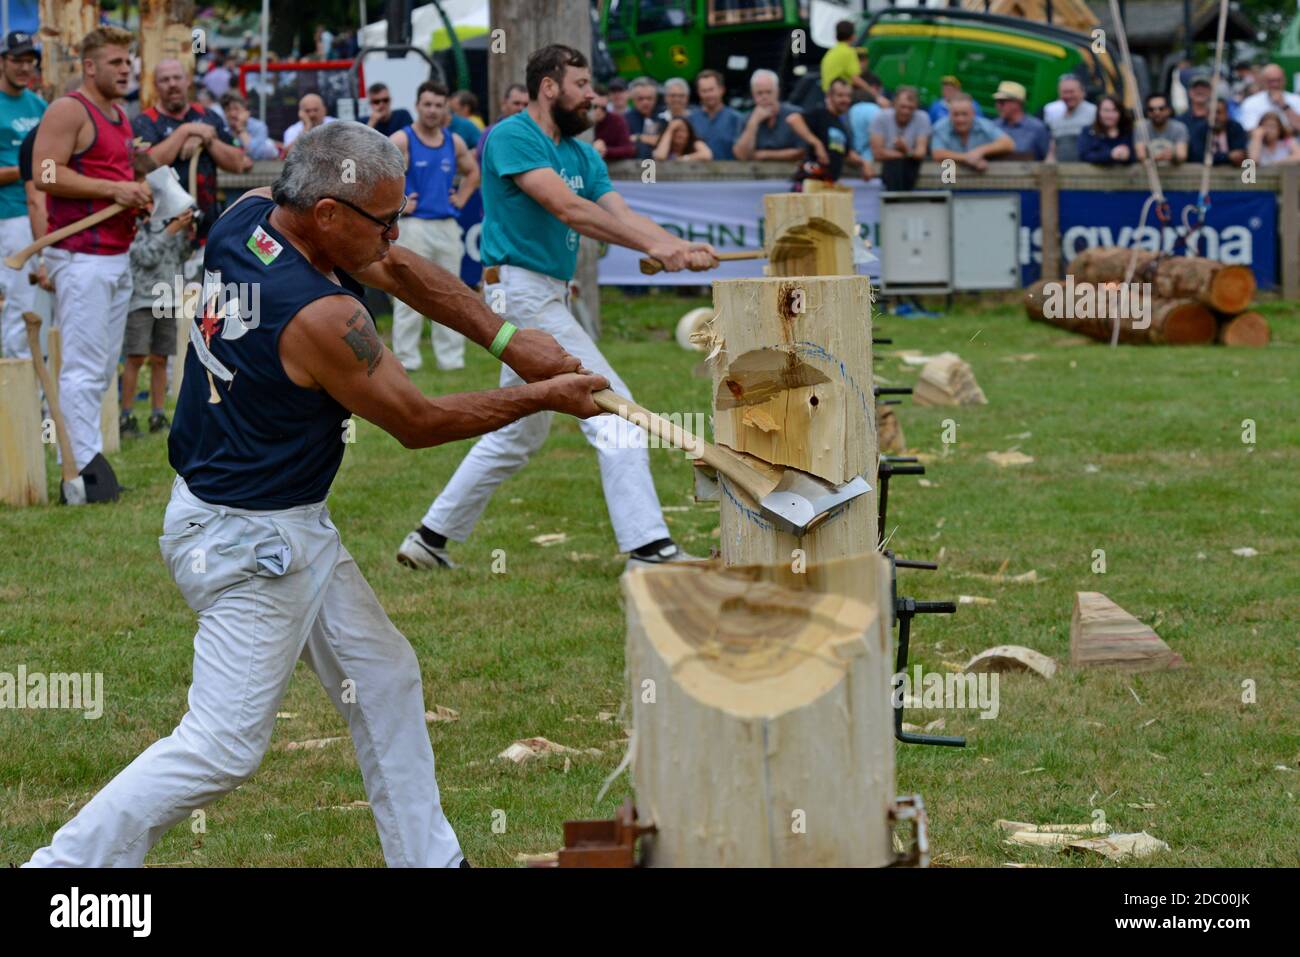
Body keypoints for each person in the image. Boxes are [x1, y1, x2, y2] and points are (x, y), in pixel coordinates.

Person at [23, 119, 610, 869]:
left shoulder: (250, 214)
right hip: (252, 545)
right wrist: (543, 396)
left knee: (386, 677)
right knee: (222, 745)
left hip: (262, 520)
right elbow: (417, 420)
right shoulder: (324, 316)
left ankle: (430, 860)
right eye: (385, 220)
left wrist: (507, 342)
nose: (395, 234)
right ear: (329, 214)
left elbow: (395, 270)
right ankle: (58, 873)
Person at [397, 44, 717, 573]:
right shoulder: (510, 136)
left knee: (517, 433)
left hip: (544, 291)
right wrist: (655, 247)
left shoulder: (582, 154)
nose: (592, 95)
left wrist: (675, 246)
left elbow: (618, 211)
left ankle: (430, 538)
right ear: (550, 86)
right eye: (582, 84)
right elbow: (568, 209)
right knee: (615, 410)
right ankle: (647, 549)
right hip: (518, 292)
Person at [33, 26, 150, 482]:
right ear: (89, 66)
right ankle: (81, 472)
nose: (125, 70)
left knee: (101, 367)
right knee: (83, 368)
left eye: (128, 62)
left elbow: (115, 176)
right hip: (81, 257)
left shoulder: (120, 115)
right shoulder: (68, 109)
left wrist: (137, 193)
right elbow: (44, 172)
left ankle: (84, 458)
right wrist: (114, 189)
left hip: (116, 255)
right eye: (116, 62)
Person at [389, 81, 480, 372]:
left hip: (446, 225)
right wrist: (399, 202)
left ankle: (451, 361)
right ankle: (407, 359)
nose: (432, 110)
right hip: (413, 227)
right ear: (417, 106)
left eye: (438, 105)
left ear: (445, 110)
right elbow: (375, 171)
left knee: (452, 295)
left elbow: (473, 172)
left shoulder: (453, 141)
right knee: (409, 293)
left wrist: (462, 197)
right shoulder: (402, 139)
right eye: (427, 104)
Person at [133, 58, 252, 240]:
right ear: (155, 85)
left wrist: (207, 140)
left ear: (187, 80)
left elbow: (238, 163)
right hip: (164, 230)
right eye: (165, 80)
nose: (172, 84)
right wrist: (186, 131)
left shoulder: (207, 116)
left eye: (177, 78)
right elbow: (147, 167)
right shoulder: (145, 121)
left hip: (207, 229)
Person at [120, 152, 193, 437]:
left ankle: (158, 413)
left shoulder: (168, 219)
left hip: (168, 297)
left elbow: (181, 257)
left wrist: (184, 234)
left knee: (161, 357)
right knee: (136, 357)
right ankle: (126, 415)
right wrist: (169, 232)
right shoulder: (134, 224)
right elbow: (144, 257)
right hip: (141, 298)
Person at [0, 31, 46, 359]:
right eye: (17, 60)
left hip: (39, 210)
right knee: (17, 299)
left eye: (30, 61)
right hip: (9, 214)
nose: (24, 67)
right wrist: (28, 168)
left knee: (32, 299)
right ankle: (16, 376)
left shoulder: (41, 106)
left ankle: (27, 375)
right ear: (2, 61)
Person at [787, 78, 870, 182]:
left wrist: (864, 163)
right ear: (829, 96)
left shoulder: (842, 126)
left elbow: (847, 153)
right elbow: (793, 119)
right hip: (809, 181)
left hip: (827, 184)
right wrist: (817, 143)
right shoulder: (820, 114)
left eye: (848, 96)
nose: (845, 100)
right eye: (840, 95)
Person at [732, 68, 804, 162]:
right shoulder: (747, 118)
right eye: (759, 93)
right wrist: (753, 123)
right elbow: (741, 156)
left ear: (777, 92)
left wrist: (764, 155)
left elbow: (802, 151)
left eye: (769, 92)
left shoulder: (795, 114)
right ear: (753, 95)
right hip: (755, 174)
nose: (764, 97)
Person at [930, 93, 1014, 169]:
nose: (960, 119)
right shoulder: (940, 126)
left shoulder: (984, 124)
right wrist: (966, 158)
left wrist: (980, 151)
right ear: (949, 114)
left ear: (973, 113)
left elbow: (1008, 143)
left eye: (964, 114)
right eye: (956, 114)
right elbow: (938, 153)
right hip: (948, 178)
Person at [869, 86, 930, 190]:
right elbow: (877, 153)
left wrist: (907, 151)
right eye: (903, 107)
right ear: (894, 104)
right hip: (888, 164)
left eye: (910, 108)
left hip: (911, 164)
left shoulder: (922, 117)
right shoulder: (881, 117)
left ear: (916, 107)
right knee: (895, 164)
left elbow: (921, 152)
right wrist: (906, 153)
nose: (906, 111)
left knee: (906, 164)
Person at [689, 69, 743, 160]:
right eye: (704, 91)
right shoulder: (690, 120)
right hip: (696, 172)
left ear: (722, 90)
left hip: (730, 172)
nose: (708, 95)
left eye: (711, 90)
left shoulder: (736, 119)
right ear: (698, 93)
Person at [1043, 75, 1096, 162]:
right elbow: (1052, 140)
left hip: (1087, 169)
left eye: (1071, 92)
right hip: (1061, 169)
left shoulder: (1094, 112)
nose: (1068, 96)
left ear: (1082, 92)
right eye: (1064, 92)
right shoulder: (1051, 111)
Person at [992, 80, 1049, 160]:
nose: (998, 106)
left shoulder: (1037, 128)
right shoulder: (993, 126)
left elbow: (1046, 158)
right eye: (997, 102)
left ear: (1017, 103)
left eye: (1002, 102)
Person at [1238, 63, 1300, 132]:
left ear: (1284, 80)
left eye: (1278, 80)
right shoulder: (1250, 102)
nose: (1275, 84)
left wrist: (1284, 105)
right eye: (1271, 81)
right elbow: (1249, 130)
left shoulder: (1296, 100)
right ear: (1263, 81)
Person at [1186, 98, 1247, 166]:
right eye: (1211, 113)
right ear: (1206, 115)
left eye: (1218, 112)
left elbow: (1239, 155)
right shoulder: (1199, 129)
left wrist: (1215, 158)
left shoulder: (1235, 128)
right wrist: (1228, 157)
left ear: (1227, 113)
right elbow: (1198, 156)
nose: (1215, 117)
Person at [477, 82, 529, 162]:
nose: (521, 108)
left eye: (525, 105)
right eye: (516, 103)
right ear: (504, 104)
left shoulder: (532, 132)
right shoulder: (491, 133)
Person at [1077, 95, 1134, 166]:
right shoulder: (1089, 131)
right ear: (1098, 112)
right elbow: (1084, 155)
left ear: (1121, 113)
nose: (1110, 115)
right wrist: (1110, 154)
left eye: (1115, 110)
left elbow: (1136, 155)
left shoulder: (1129, 131)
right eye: (1106, 110)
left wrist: (1127, 156)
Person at [221, 91, 279, 160]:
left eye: (236, 109)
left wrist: (241, 128)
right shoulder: (222, 128)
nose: (232, 114)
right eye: (228, 110)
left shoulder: (259, 127)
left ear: (245, 110)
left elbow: (255, 154)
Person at [1134, 93, 1188, 165]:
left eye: (1161, 108)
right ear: (1147, 112)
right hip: (1149, 174)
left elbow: (1182, 155)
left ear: (1169, 110)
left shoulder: (1179, 127)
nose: (1156, 112)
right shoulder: (1141, 128)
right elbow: (1141, 156)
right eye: (1151, 109)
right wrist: (1157, 157)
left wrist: (1172, 155)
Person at [820, 19, 867, 94]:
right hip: (840, 94)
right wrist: (876, 96)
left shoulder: (831, 52)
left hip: (828, 94)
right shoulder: (848, 52)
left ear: (836, 36)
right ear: (853, 36)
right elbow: (856, 79)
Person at [592, 86, 635, 160]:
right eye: (595, 107)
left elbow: (628, 149)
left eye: (603, 108)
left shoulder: (616, 121)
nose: (598, 111)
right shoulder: (579, 120)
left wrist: (606, 150)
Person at [626, 77, 663, 160]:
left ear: (655, 99)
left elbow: (664, 141)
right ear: (633, 99)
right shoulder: (625, 119)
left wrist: (638, 137)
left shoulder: (664, 115)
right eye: (640, 99)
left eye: (649, 98)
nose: (645, 102)